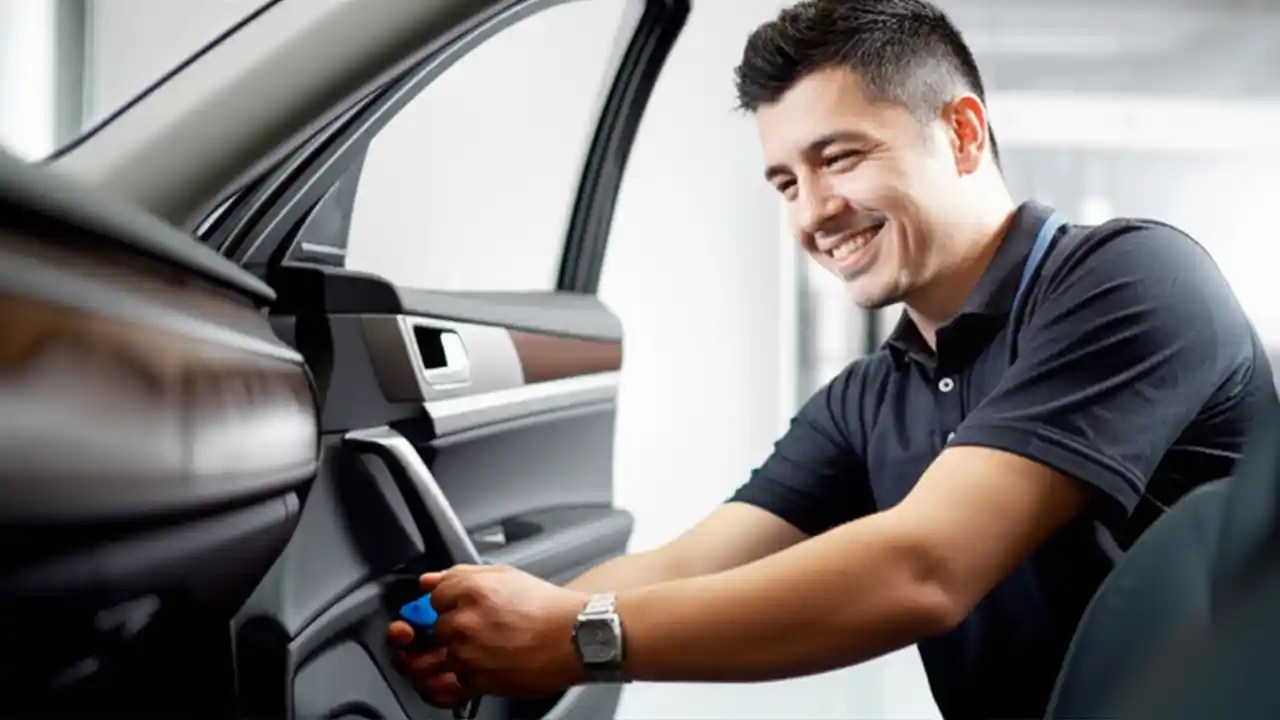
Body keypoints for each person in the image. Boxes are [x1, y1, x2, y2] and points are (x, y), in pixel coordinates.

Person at [386, 1, 1277, 718]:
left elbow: (923, 569)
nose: (813, 214)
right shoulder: (872, 396)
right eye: (785, 182)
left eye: (839, 158)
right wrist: (491, 624)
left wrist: (578, 637)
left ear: (963, 133)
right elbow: (690, 564)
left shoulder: (1131, 278)